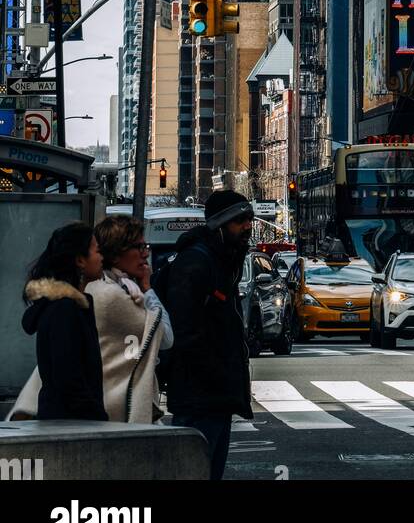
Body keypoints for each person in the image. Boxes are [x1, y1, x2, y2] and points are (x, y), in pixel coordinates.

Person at [164, 189, 254, 480]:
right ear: (219, 225)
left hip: (215, 397)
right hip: (198, 397)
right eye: (239, 221)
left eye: (249, 219)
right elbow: (185, 330)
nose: (248, 227)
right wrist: (215, 374)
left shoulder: (222, 260)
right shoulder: (197, 262)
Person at [11, 222, 107, 421]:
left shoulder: (72, 304)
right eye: (98, 250)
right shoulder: (65, 308)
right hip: (69, 426)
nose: (102, 257)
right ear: (80, 260)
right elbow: (68, 377)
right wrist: (97, 416)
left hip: (68, 422)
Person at [86, 216, 173, 423]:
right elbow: (166, 337)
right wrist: (147, 287)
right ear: (116, 254)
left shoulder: (118, 287)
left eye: (146, 246)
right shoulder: (114, 294)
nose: (146, 253)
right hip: (118, 407)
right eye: (139, 247)